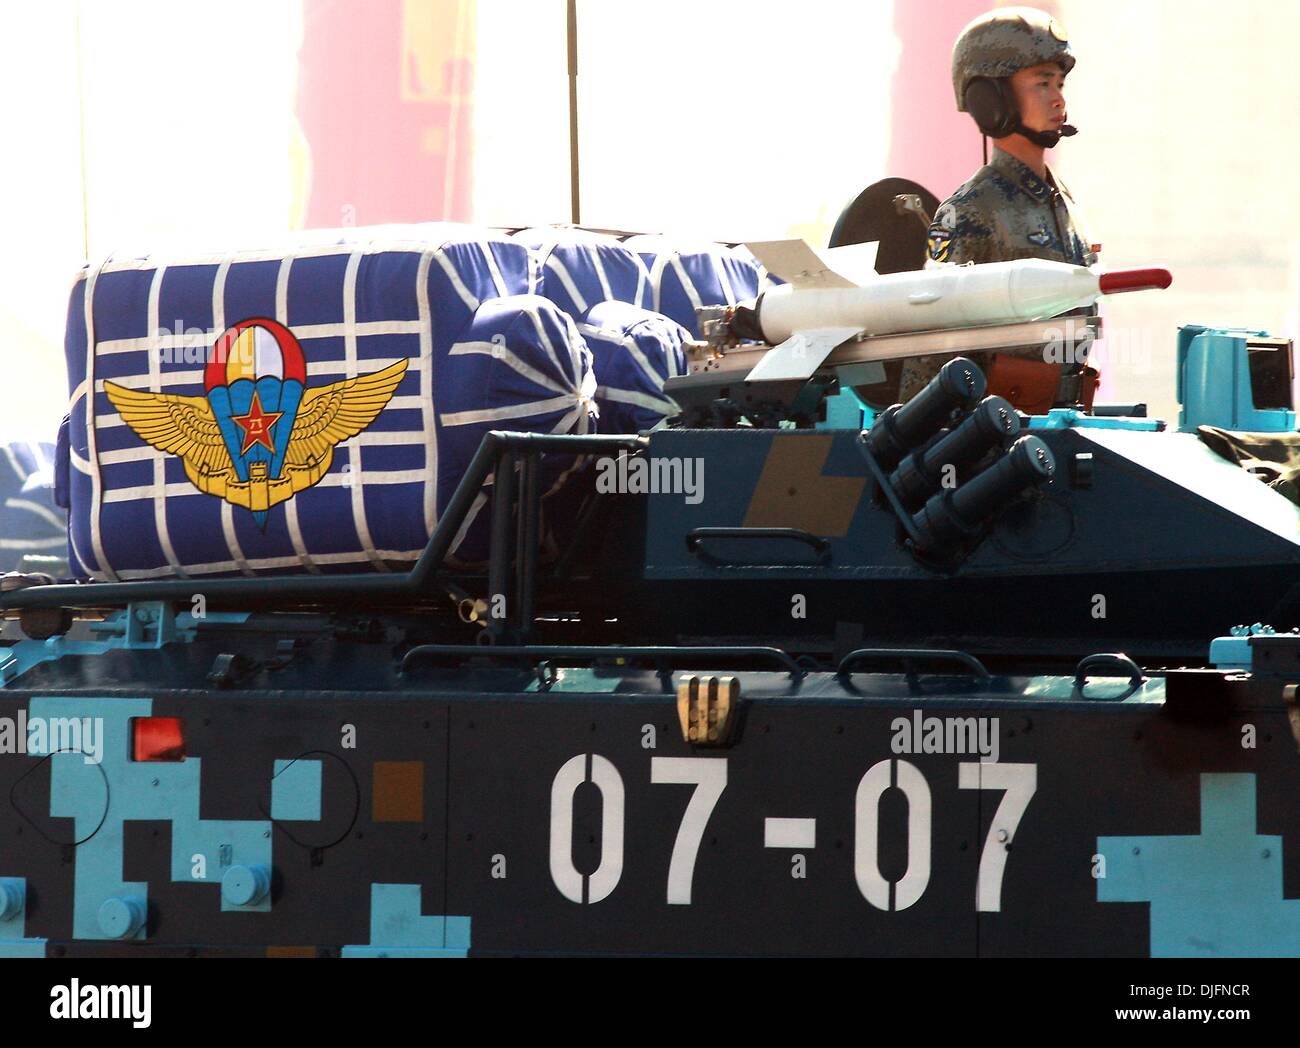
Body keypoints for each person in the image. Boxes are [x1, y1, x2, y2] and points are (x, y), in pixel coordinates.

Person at [898, 6, 1099, 406]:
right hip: (994, 439)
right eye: (1042, 84)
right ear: (991, 99)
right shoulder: (972, 211)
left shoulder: (1065, 206)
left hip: (1061, 423)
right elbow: (932, 353)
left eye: (1060, 84)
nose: (1058, 99)